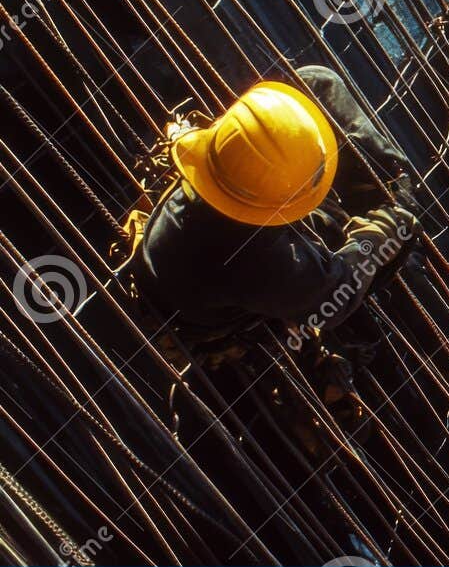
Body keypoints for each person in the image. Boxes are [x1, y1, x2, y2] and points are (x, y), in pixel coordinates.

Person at [131, 66, 417, 382]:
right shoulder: (262, 264)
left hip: (195, 250)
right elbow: (337, 296)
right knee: (399, 229)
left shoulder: (220, 164)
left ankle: (387, 177)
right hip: (205, 310)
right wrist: (390, 222)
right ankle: (395, 187)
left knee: (316, 83)